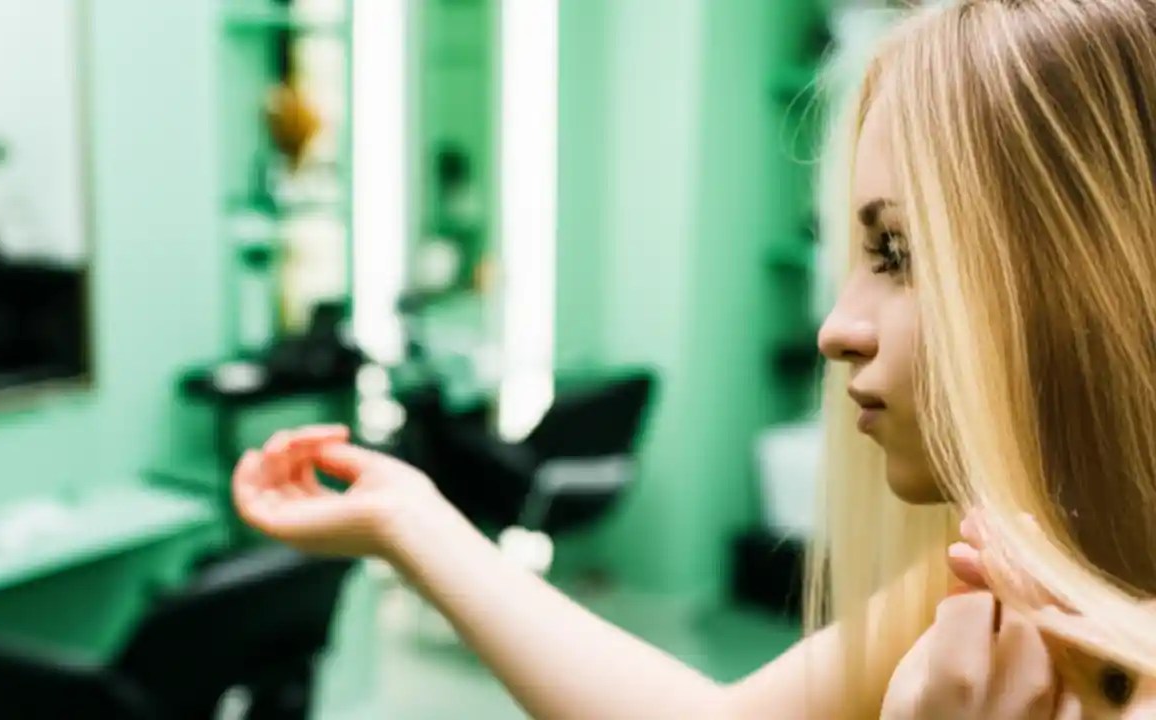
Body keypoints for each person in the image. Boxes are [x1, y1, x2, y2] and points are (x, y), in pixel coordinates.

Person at [233, 1, 1156, 717]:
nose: (837, 327)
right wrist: (412, 519)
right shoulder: (989, 586)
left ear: (1086, 276)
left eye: (898, 255)